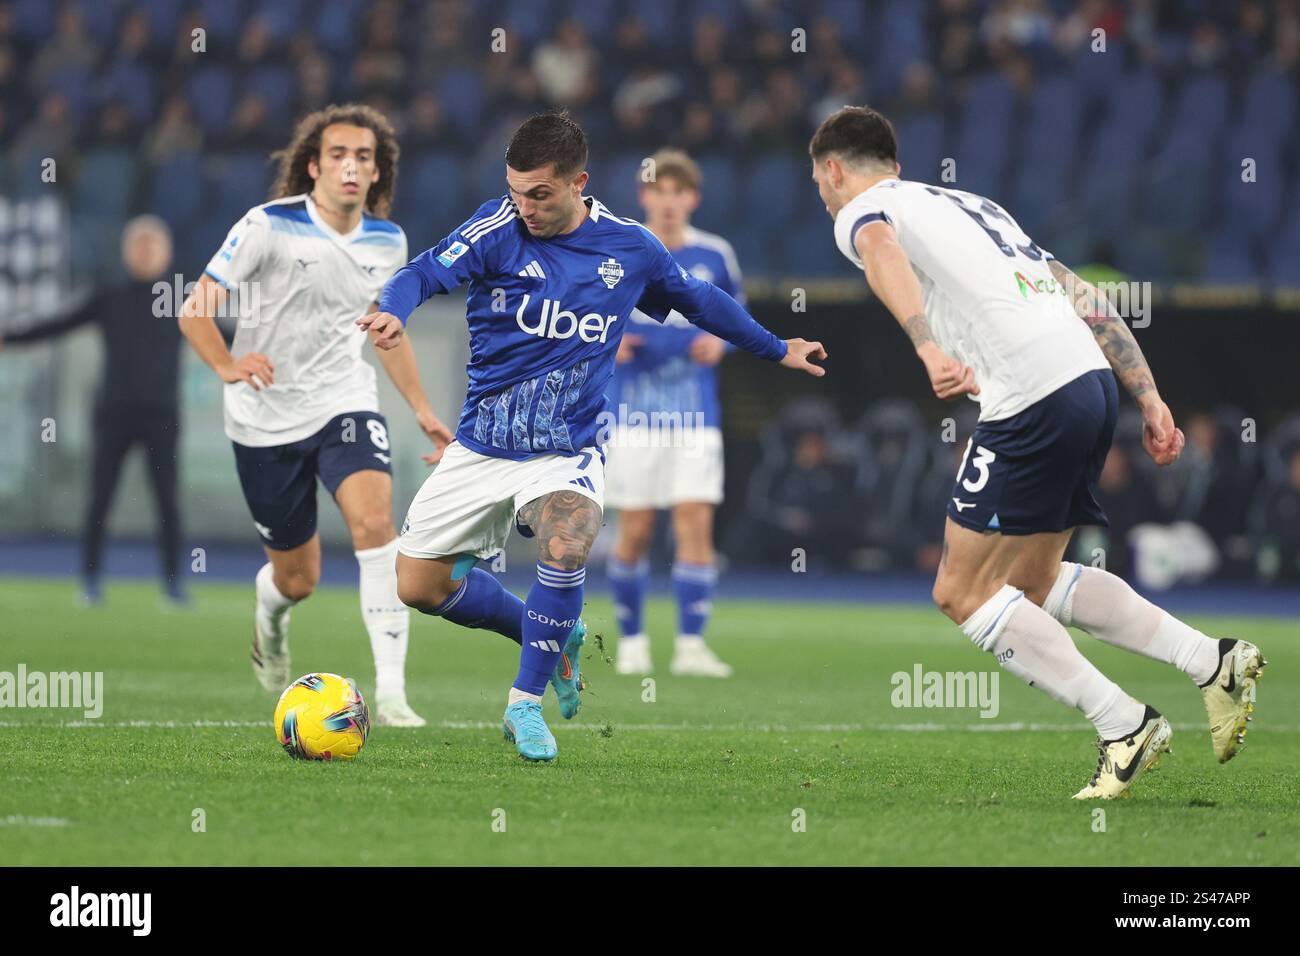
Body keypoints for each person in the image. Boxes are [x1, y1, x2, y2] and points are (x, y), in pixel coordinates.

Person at [810, 105, 1265, 799]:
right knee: (1033, 582)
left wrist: (926, 344)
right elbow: (1079, 290)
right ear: (899, 166)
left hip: (1029, 394)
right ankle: (1213, 660)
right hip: (1087, 384)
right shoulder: (974, 205)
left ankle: (1123, 723)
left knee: (959, 591)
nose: (823, 194)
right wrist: (1146, 393)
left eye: (820, 182)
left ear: (835, 170)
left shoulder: (863, 209)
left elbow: (879, 250)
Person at [362, 110, 826, 762]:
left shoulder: (629, 247)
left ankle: (523, 704)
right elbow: (421, 272)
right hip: (483, 443)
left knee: (569, 535)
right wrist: (392, 310)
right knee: (418, 588)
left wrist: (778, 348)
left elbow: (698, 299)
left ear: (579, 182)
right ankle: (551, 634)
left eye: (540, 194)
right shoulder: (497, 228)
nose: (524, 206)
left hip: (567, 447)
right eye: (516, 190)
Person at [178, 104, 453, 728]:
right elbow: (195, 308)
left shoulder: (390, 241)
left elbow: (389, 332)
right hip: (263, 417)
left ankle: (391, 695)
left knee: (377, 520)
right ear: (313, 165)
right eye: (338, 155)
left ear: (378, 172)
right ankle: (269, 620)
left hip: (343, 401)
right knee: (297, 579)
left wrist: (421, 410)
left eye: (364, 157)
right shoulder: (266, 225)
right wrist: (225, 365)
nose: (352, 166)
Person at [0, 216, 185, 606]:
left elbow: (226, 333)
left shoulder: (181, 300)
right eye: (138, 244)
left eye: (153, 245)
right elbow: (57, 323)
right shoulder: (110, 297)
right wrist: (9, 337)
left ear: (166, 253)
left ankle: (173, 585)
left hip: (161, 414)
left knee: (167, 501)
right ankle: (90, 580)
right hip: (114, 413)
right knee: (100, 498)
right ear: (126, 251)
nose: (145, 252)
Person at [605, 148, 739, 678]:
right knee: (635, 530)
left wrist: (721, 343)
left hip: (695, 417)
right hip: (633, 418)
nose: (667, 201)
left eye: (677, 192)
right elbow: (589, 315)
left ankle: (690, 646)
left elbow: (734, 314)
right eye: (657, 191)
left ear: (692, 198)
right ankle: (633, 642)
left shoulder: (716, 254)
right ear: (644, 198)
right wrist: (608, 343)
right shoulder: (620, 247)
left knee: (695, 522)